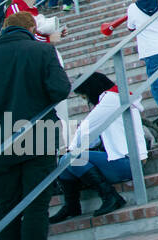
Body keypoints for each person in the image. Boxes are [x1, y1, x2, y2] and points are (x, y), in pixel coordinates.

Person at [0, 11, 71, 240]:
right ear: (32, 28)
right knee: (35, 207)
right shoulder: (43, 50)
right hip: (38, 134)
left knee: (6, 211)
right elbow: (61, 90)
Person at [49, 71, 146, 222]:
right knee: (65, 161)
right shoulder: (115, 97)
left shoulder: (111, 99)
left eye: (84, 96)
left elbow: (85, 128)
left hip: (129, 162)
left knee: (72, 158)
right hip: (123, 160)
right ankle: (71, 206)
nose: (86, 100)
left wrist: (71, 149)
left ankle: (111, 196)